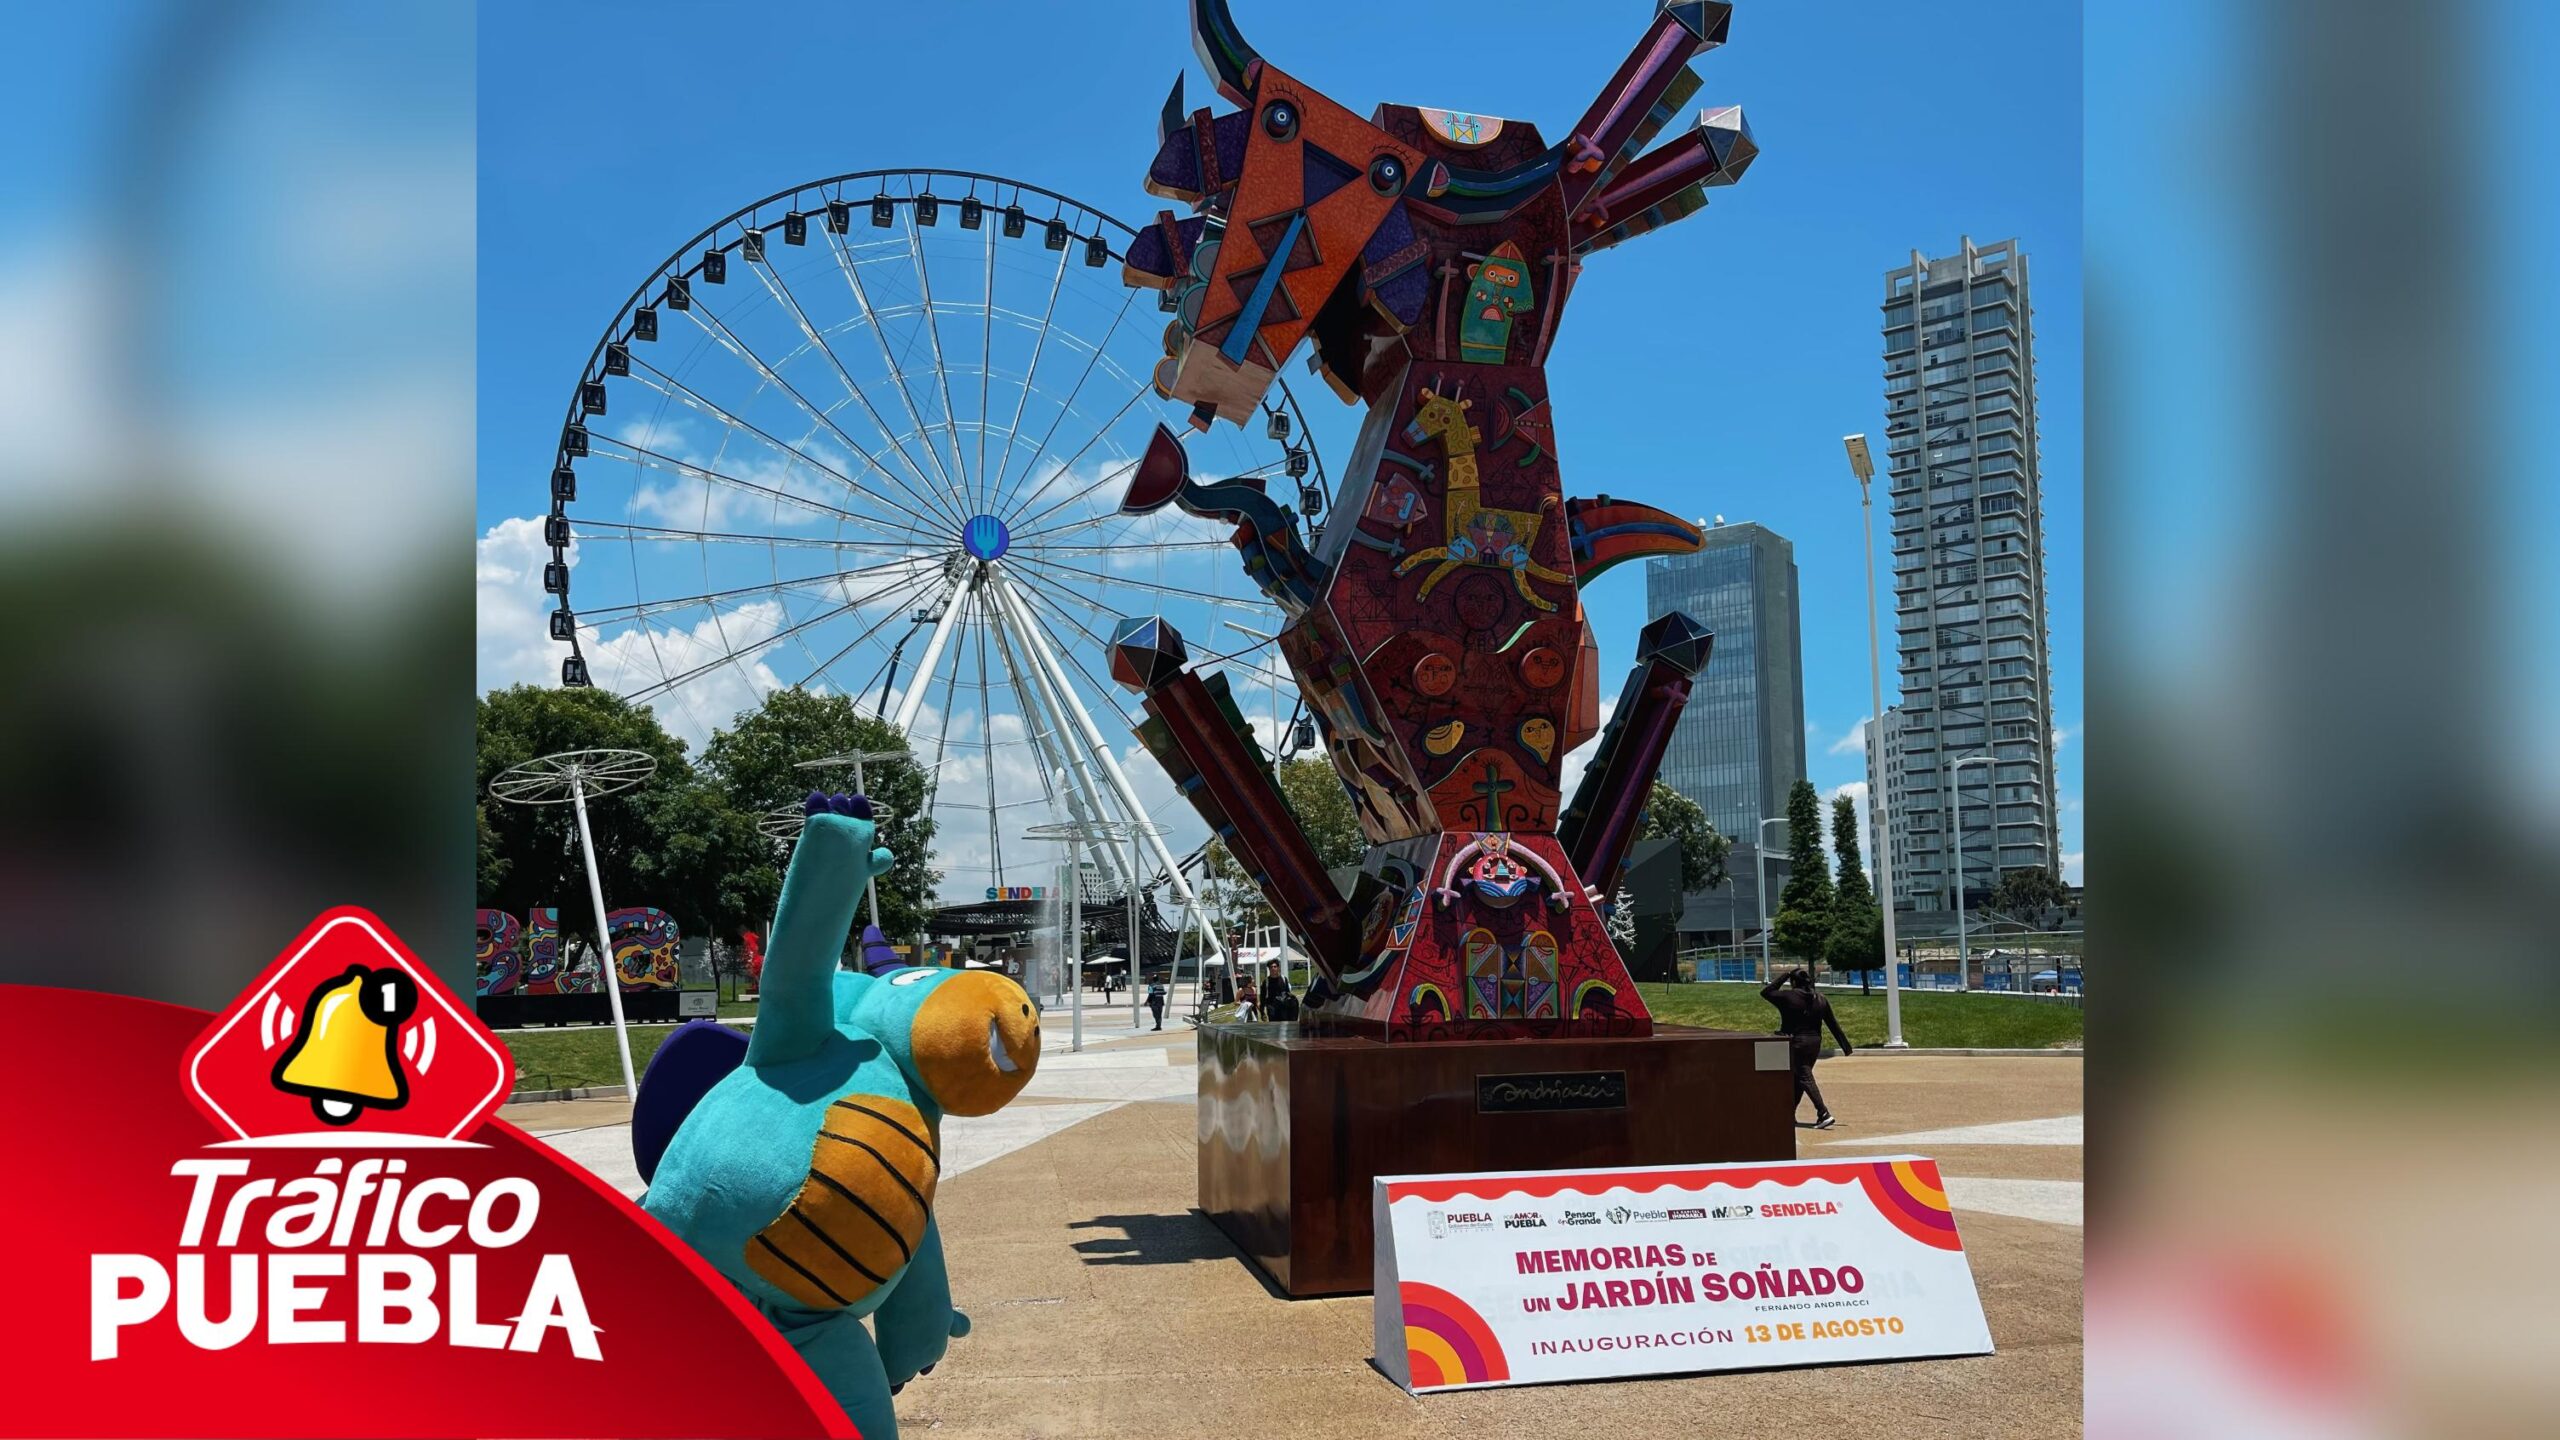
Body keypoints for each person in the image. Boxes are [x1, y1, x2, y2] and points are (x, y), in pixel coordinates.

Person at [1762, 967, 1852, 1129]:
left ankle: (1823, 1113)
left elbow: (1767, 992)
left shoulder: (1789, 997)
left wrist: (1784, 975)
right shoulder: (1820, 999)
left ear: (1794, 982)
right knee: (1798, 1080)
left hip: (1797, 1042)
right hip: (1814, 1043)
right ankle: (1788, 1114)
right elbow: (1832, 1024)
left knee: (1804, 1077)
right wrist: (1845, 1046)